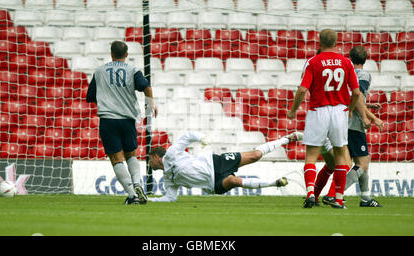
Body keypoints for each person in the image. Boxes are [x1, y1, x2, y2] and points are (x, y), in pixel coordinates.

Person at [287, 29, 371, 209]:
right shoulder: (346, 62)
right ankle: (339, 199)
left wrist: (293, 110)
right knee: (341, 155)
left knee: (311, 155)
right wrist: (348, 110)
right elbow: (356, 93)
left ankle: (310, 193)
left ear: (319, 41)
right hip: (339, 112)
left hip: (318, 111)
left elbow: (302, 90)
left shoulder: (313, 61)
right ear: (336, 42)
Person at [86, 41, 157, 205]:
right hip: (127, 119)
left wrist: (107, 99)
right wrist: (149, 106)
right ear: (126, 55)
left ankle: (132, 195)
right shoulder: (133, 70)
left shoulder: (100, 71)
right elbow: (147, 87)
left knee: (116, 158)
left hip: (108, 120)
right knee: (131, 154)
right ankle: (138, 183)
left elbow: (90, 97)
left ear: (111, 54)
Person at [147, 131, 303, 202]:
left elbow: (187, 137)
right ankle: (274, 183)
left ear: (156, 157)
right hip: (214, 185)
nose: (149, 164)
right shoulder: (168, 179)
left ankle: (286, 139)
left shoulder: (172, 153)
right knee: (234, 181)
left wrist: (203, 138)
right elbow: (170, 197)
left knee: (255, 155)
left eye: (150, 160)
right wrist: (149, 200)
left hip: (216, 162)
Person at [315, 46, 383, 207]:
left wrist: (369, 107)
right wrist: (367, 117)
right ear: (366, 59)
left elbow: (351, 97)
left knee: (361, 160)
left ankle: (365, 198)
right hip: (353, 124)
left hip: (339, 120)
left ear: (350, 58)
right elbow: (356, 95)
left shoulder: (344, 73)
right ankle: (334, 194)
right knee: (362, 163)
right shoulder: (363, 74)